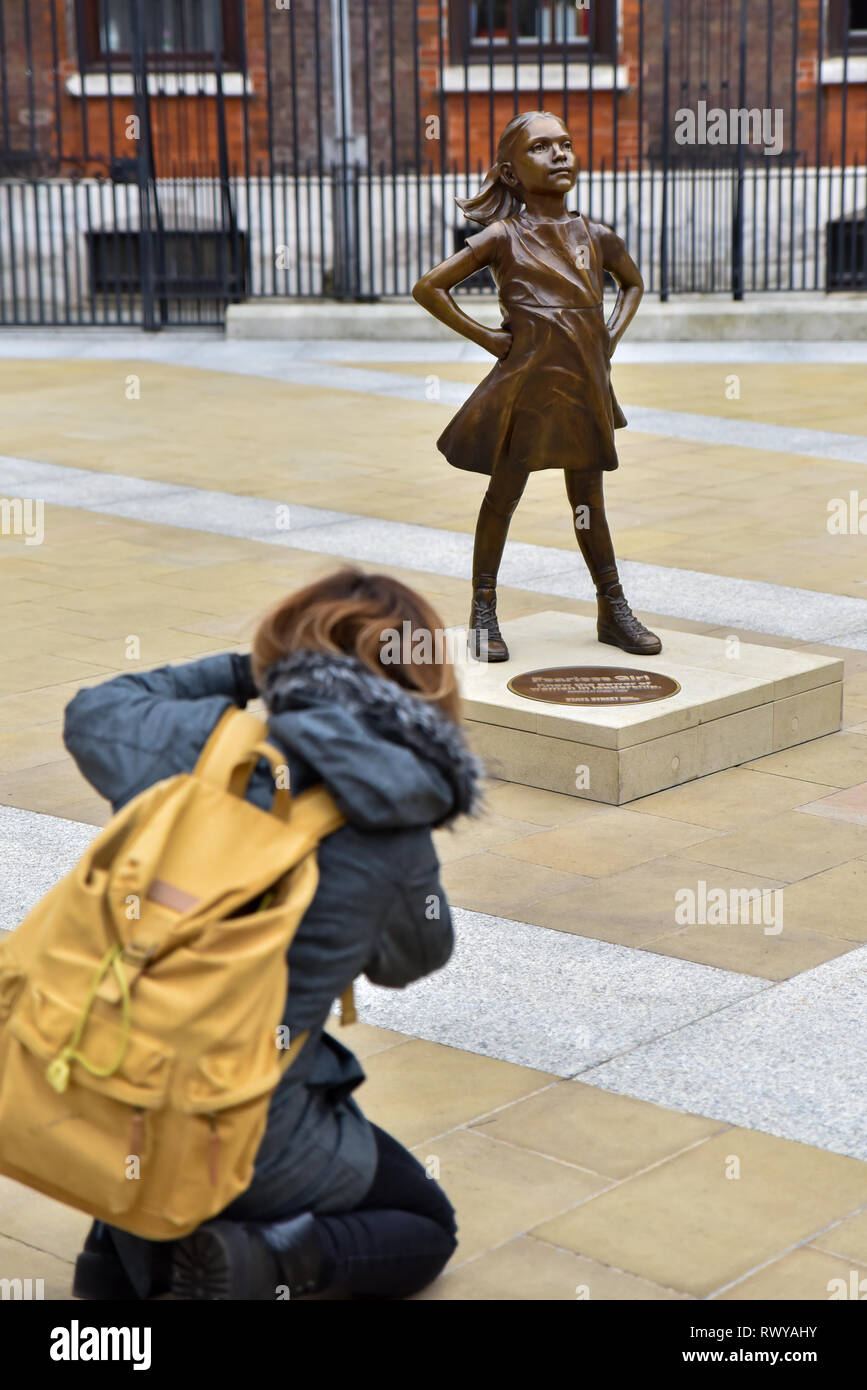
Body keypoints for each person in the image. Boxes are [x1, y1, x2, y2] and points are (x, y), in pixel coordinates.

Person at [63, 567, 481, 1301]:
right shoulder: (391, 814)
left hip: (95, 1080)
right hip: (247, 1135)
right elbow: (415, 957)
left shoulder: (199, 741)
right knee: (423, 1219)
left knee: (157, 1109)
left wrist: (248, 672)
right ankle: (254, 1258)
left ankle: (127, 1255)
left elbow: (94, 710)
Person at [412, 109, 661, 663]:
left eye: (566, 144)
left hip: (584, 384)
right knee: (503, 494)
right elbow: (429, 287)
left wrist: (608, 338)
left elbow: (634, 283)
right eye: (542, 148)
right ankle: (482, 609)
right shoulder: (504, 236)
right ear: (509, 172)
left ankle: (612, 607)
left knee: (589, 500)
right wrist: (490, 340)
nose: (561, 154)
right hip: (526, 388)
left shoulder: (595, 235)